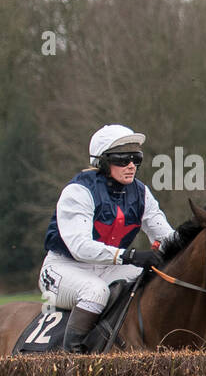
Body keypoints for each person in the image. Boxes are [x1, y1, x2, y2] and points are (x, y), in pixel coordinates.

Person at [40, 124, 176, 352]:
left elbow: (167, 236)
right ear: (102, 161)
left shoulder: (140, 192)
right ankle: (71, 359)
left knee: (157, 281)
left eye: (136, 158)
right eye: (123, 159)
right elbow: (80, 248)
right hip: (63, 269)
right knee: (95, 292)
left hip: (107, 268)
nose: (131, 165)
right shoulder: (78, 192)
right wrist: (131, 255)